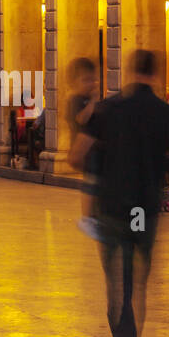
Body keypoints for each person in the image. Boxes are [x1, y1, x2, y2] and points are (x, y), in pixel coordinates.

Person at [68, 50, 169, 337]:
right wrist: (155, 161)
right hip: (144, 212)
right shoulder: (167, 114)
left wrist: (106, 165)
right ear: (156, 74)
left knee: (117, 288)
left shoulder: (108, 111)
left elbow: (76, 156)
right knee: (139, 286)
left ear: (131, 72)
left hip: (113, 209)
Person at [65, 57, 102, 241]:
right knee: (91, 180)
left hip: (94, 148)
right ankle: (87, 218)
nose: (91, 84)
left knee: (97, 181)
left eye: (93, 79)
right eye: (86, 80)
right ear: (74, 82)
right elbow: (81, 119)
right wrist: (94, 103)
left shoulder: (87, 99)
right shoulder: (75, 100)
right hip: (83, 150)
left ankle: (95, 216)